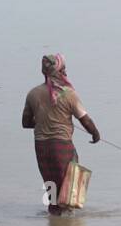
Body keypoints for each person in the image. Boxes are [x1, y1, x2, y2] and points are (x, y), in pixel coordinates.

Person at [22, 54, 101, 215]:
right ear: (59, 71)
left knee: (50, 183)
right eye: (63, 69)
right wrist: (95, 133)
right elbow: (85, 120)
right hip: (61, 146)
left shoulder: (33, 94)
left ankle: (54, 219)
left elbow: (26, 123)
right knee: (69, 185)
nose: (65, 72)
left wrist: (42, 121)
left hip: (41, 146)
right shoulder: (68, 94)